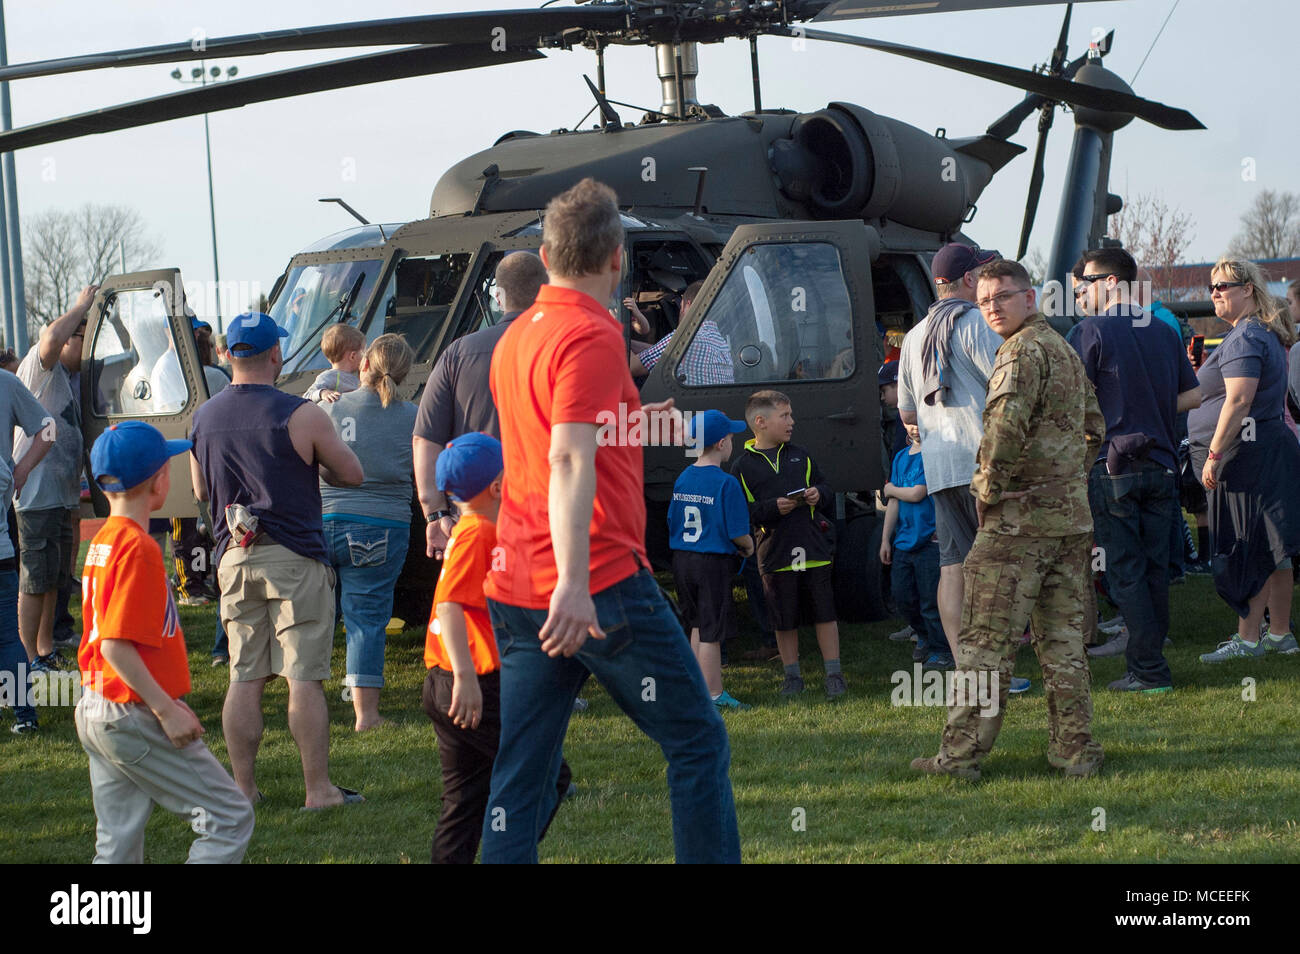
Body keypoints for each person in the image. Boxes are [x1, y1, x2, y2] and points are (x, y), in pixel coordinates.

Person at [480, 178, 738, 864]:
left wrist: (629, 421)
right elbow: (567, 456)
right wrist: (573, 584)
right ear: (618, 258)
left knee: (522, 770)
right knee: (698, 740)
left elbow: (550, 436)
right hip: (593, 579)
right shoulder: (592, 334)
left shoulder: (516, 336)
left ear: (545, 255)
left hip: (518, 580)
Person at [912, 259, 1105, 781]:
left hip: (1018, 524)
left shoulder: (1019, 351)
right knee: (1064, 643)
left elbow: (1003, 430)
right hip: (1069, 521)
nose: (993, 308)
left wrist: (986, 490)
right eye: (984, 301)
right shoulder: (1062, 348)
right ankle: (1075, 752)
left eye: (1003, 297)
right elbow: (1094, 427)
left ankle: (959, 758)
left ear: (1029, 297)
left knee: (984, 643)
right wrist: (1067, 479)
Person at [190, 312, 366, 809]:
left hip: (233, 555)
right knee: (303, 675)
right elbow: (352, 473)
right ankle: (318, 790)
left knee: (244, 676)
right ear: (276, 354)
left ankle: (243, 790)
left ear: (228, 355)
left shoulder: (203, 417)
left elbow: (201, 490)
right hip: (295, 556)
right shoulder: (302, 414)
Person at [75, 422, 254, 863]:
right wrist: (165, 709)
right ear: (159, 482)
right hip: (130, 709)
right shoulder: (137, 546)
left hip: (98, 704)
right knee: (230, 816)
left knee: (117, 842)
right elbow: (116, 645)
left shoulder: (104, 539)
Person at [421, 432, 571, 863]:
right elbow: (449, 605)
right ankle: (508, 853)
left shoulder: (475, 528)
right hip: (474, 683)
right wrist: (466, 678)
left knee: (465, 799)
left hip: (447, 679)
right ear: (498, 485)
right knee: (548, 777)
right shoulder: (478, 533)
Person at [1070, 247, 1201, 692]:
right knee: (1154, 570)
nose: (1082, 291)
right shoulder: (1162, 330)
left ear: (1110, 282)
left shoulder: (1089, 330)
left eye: (1087, 282)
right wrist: (1149, 409)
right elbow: (1194, 395)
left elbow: (1070, 400)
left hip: (1113, 466)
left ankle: (1148, 670)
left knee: (1125, 571)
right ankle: (1150, 663)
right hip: (1161, 464)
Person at [1190, 259, 1300, 661]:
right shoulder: (1258, 332)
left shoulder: (1246, 336)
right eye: (1211, 287)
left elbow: (1238, 400)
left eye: (1222, 286)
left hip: (1249, 455)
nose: (1214, 293)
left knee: (1249, 546)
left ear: (1248, 289)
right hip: (1266, 450)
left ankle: (1248, 639)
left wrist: (1214, 453)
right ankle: (1280, 634)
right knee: (1273, 546)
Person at [897, 245, 1002, 660]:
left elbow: (907, 413)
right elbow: (1007, 386)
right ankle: (993, 664)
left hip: (939, 468)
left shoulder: (913, 336)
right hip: (983, 463)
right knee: (993, 565)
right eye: (983, 273)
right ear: (970, 280)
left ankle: (965, 664)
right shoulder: (978, 322)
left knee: (952, 565)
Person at [414, 251, 549, 559]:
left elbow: (425, 439)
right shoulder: (566, 348)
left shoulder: (458, 353)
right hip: (547, 516)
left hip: (475, 518)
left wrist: (435, 513)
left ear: (498, 297)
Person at [321, 333, 417, 731]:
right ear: (404, 373)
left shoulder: (329, 408)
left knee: (315, 618)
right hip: (384, 525)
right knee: (367, 619)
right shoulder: (414, 416)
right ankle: (366, 715)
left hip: (325, 520)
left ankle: (304, 701)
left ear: (362, 364)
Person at [732, 389, 844, 698]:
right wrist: (771, 508)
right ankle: (792, 677)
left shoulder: (801, 454)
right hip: (775, 553)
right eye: (785, 416)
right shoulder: (742, 466)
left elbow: (827, 488)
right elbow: (741, 512)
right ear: (761, 422)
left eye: (791, 415)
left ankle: (834, 674)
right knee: (783, 619)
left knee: (825, 613)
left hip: (813, 547)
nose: (792, 421)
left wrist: (819, 494)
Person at [15, 284, 96, 674]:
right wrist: (81, 306)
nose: (88, 346)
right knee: (35, 580)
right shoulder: (40, 365)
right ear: (66, 339)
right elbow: (50, 338)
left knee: (54, 580)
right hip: (36, 496)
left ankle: (44, 649)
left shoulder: (67, 377)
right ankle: (27, 657)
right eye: (83, 336)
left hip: (60, 497)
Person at [669, 409, 755, 710]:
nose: (732, 442)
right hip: (711, 563)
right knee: (712, 631)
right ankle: (714, 694)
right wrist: (748, 547)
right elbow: (738, 533)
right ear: (721, 444)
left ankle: (696, 689)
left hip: (682, 559)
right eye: (731, 437)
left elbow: (672, 521)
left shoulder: (683, 477)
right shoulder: (726, 482)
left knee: (696, 623)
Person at [0, 370, 53, 734]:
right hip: (2, 540)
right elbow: (48, 429)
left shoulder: (7, 383)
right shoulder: (6, 382)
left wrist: (21, 471)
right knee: (7, 634)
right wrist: (18, 472)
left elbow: (46, 429)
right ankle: (25, 715)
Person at [880, 422, 949, 670]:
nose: (914, 428)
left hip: (929, 541)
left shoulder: (933, 454)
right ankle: (924, 636)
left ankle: (942, 650)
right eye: (909, 423)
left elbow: (918, 493)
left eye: (919, 421)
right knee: (903, 597)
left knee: (930, 601)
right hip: (903, 542)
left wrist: (890, 489)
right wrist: (885, 539)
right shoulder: (900, 457)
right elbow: (894, 503)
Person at [625, 281, 734, 385]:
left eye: (681, 306)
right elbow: (660, 353)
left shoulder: (684, 339)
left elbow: (630, 367)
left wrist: (620, 335)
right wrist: (631, 343)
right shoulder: (722, 344)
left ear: (687, 305)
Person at [304, 323, 365, 403]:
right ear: (352, 356)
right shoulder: (329, 376)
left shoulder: (359, 375)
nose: (365, 356)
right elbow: (306, 397)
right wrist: (322, 393)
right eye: (363, 351)